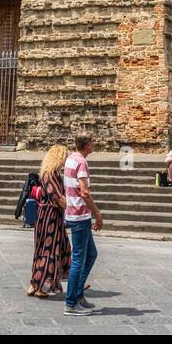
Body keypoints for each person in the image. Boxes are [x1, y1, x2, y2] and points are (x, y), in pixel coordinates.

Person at [63, 132, 103, 316]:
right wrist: (97, 214)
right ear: (86, 144)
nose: (94, 144)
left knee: (91, 254)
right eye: (92, 142)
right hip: (80, 215)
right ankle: (71, 303)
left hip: (73, 213)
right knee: (79, 258)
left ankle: (78, 294)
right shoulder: (81, 163)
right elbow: (84, 192)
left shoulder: (71, 158)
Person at [28, 144, 71, 298]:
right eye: (65, 157)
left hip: (49, 216)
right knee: (48, 250)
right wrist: (75, 209)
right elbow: (57, 197)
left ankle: (35, 284)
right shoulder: (50, 174)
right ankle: (41, 287)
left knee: (60, 248)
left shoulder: (51, 174)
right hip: (50, 217)